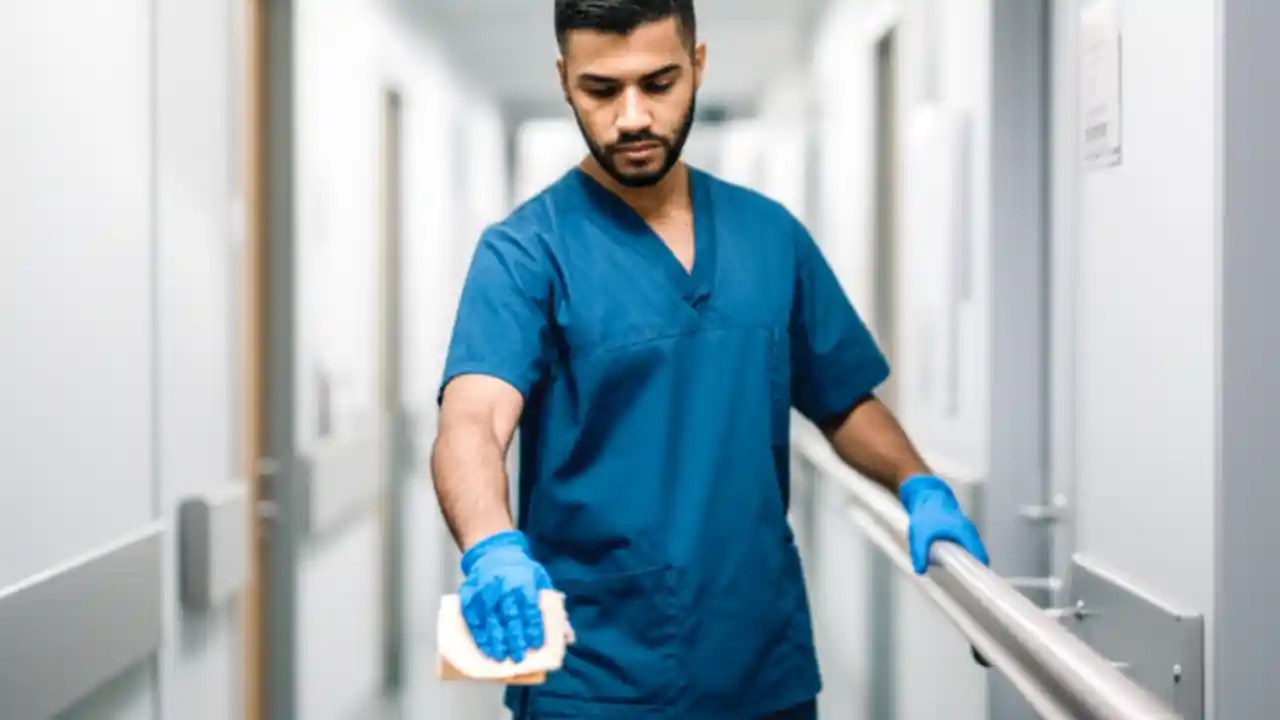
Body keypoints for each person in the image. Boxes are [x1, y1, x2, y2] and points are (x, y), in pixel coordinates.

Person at [431, 1, 990, 717]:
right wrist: (490, 545)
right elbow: (473, 418)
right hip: (595, 677)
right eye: (602, 89)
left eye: (658, 83)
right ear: (565, 80)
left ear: (697, 66)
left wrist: (919, 485)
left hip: (762, 666)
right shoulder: (524, 251)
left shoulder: (769, 234)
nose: (632, 117)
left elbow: (842, 397)